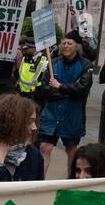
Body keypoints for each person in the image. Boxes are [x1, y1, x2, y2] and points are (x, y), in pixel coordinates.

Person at [37, 32, 92, 174]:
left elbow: (82, 90)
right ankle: (39, 182)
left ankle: (70, 181)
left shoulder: (85, 65)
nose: (66, 46)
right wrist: (69, 92)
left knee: (71, 150)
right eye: (64, 43)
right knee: (44, 147)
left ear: (77, 46)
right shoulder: (53, 63)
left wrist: (60, 86)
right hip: (51, 113)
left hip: (73, 114)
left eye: (70, 43)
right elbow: (44, 89)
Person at [0, 93, 44, 182]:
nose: (34, 127)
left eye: (35, 121)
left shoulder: (34, 156)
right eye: (29, 122)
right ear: (12, 123)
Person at [16, 38, 48, 103]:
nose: (25, 49)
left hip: (35, 96)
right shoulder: (25, 58)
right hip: (21, 94)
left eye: (27, 48)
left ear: (34, 48)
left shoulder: (44, 62)